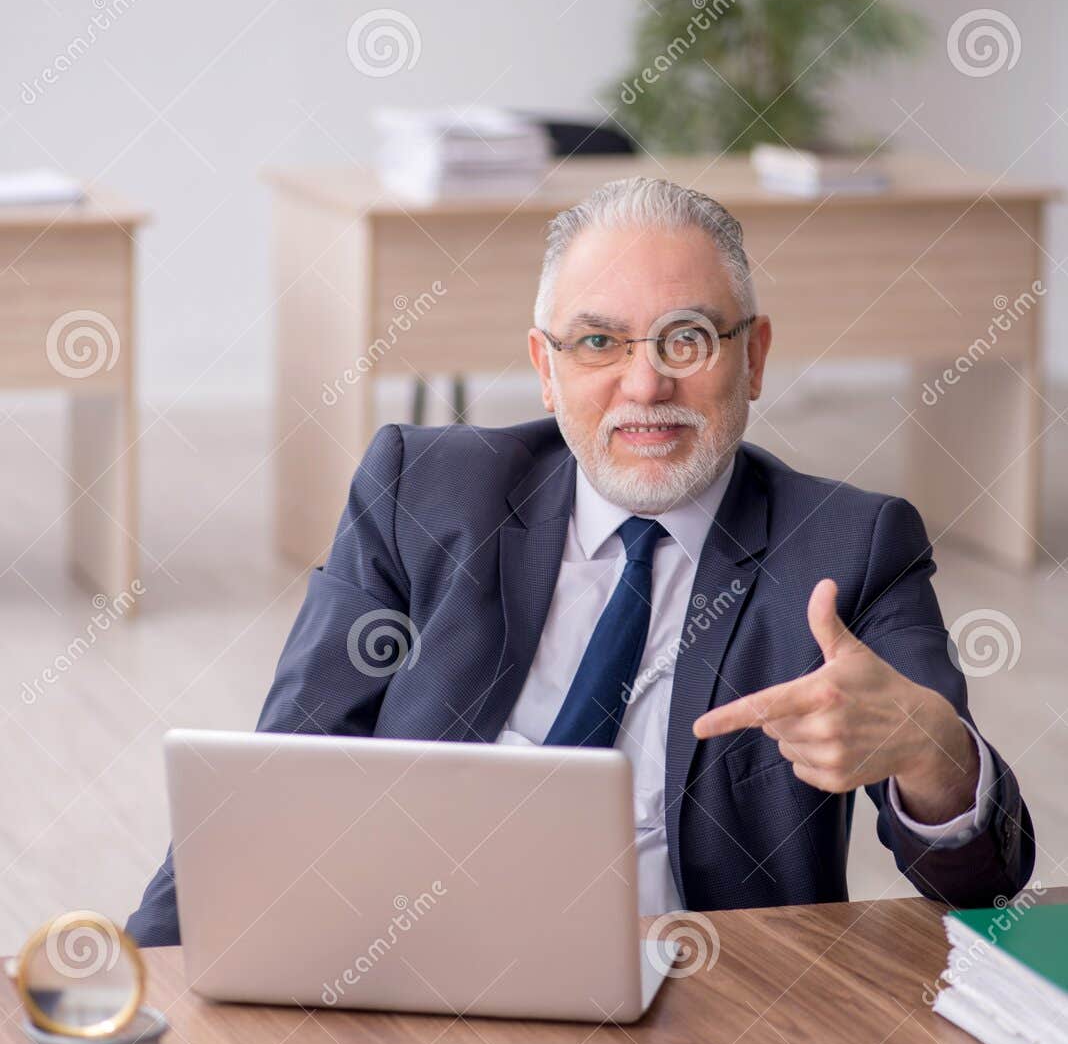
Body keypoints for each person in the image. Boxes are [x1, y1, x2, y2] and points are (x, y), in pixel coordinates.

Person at [127, 177, 1034, 946]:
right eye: (599, 343)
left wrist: (932, 754)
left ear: (754, 358)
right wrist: (136, 993)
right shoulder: (423, 495)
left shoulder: (851, 546)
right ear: (545, 365)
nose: (645, 385)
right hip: (415, 967)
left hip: (707, 1012)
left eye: (687, 339)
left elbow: (988, 881)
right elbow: (280, 773)